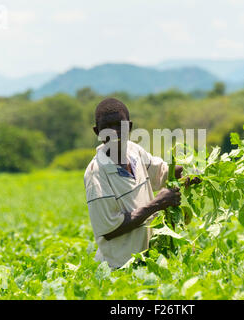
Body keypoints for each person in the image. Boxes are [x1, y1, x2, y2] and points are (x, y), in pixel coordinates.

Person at [84, 97, 198, 269]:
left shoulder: (134, 151)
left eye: (119, 125)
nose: (114, 132)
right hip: (120, 269)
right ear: (97, 131)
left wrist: (193, 173)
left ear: (129, 127)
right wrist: (157, 204)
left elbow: (162, 173)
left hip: (149, 261)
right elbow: (109, 229)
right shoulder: (96, 173)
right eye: (107, 127)